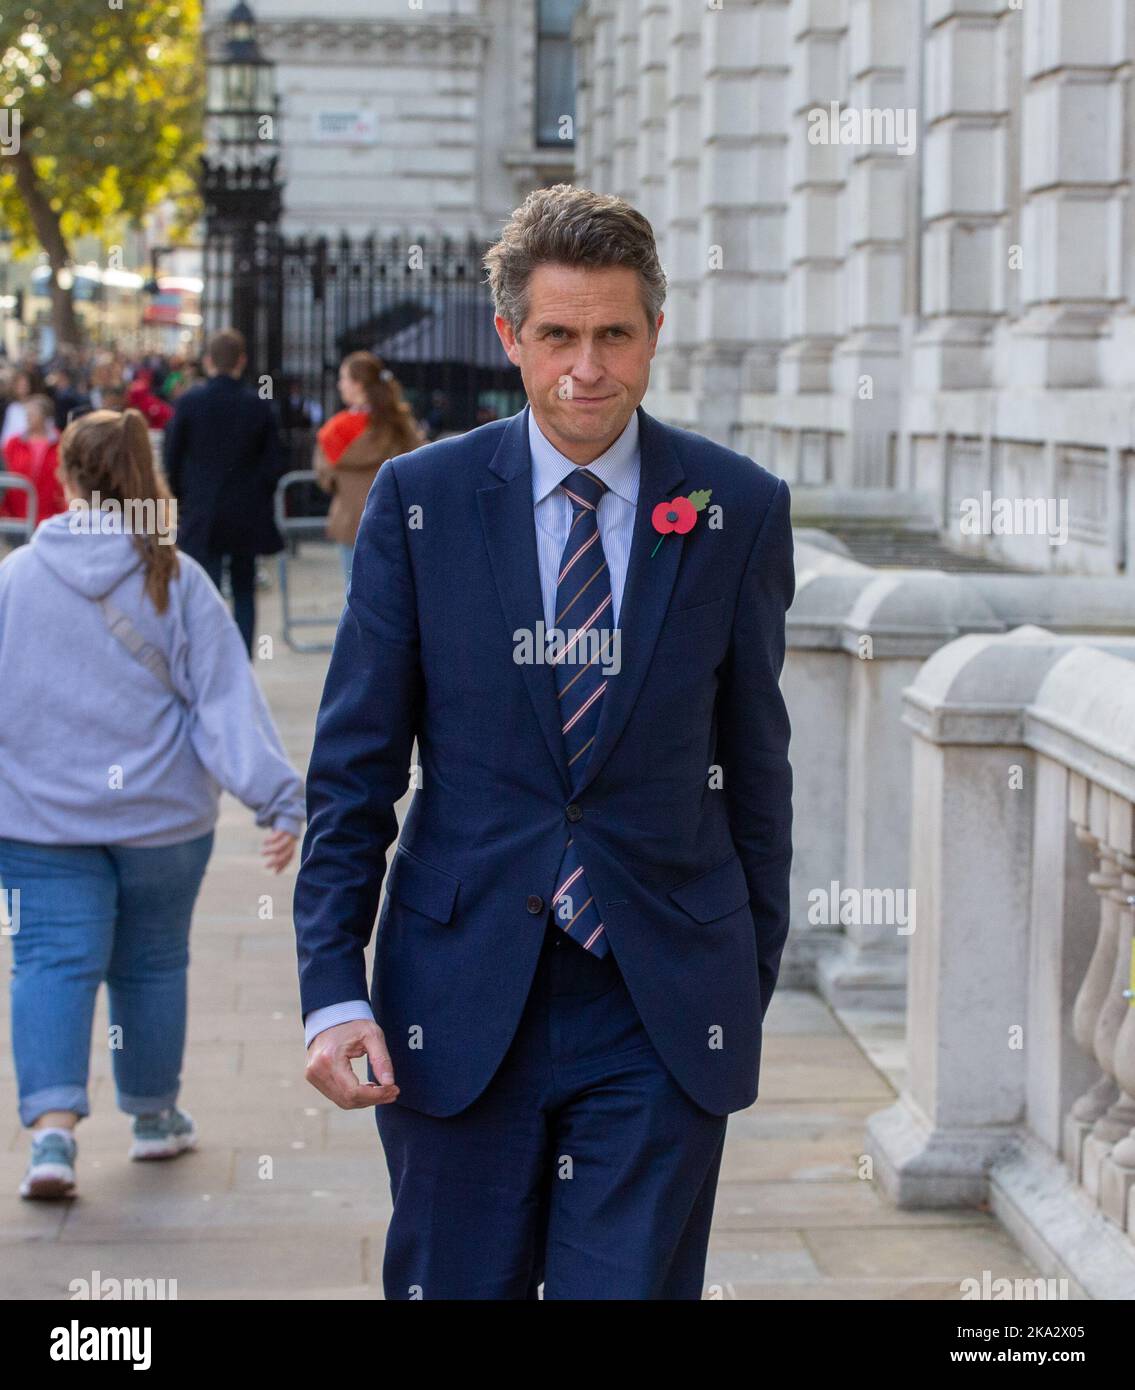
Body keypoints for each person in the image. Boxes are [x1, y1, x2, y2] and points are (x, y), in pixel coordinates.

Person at [293, 185, 795, 1300]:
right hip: (456, 1002)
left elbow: (757, 766)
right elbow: (354, 771)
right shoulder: (419, 502)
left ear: (654, 334)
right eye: (558, 335)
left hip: (655, 1006)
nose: (587, 368)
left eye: (615, 334)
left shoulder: (736, 508)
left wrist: (739, 970)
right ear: (510, 336)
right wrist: (332, 988)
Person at [0, 408, 304, 1201]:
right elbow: (226, 704)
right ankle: (153, 1118)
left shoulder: (16, 579)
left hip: (39, 823)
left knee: (48, 963)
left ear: (64, 477)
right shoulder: (179, 579)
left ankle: (52, 1139)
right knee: (152, 965)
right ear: (148, 475)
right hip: (163, 823)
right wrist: (277, 802)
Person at [162, 329, 286, 655]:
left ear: (207, 361)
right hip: (247, 512)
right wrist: (258, 492)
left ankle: (209, 657)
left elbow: (171, 457)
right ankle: (243, 661)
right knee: (245, 589)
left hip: (203, 510)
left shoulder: (188, 403)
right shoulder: (258, 406)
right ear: (242, 361)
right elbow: (274, 463)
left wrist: (182, 496)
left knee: (207, 589)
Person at [313, 353, 425, 583]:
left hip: (351, 521)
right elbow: (422, 462)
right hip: (394, 519)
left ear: (358, 384)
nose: (339, 384)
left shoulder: (334, 431)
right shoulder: (400, 425)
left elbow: (325, 476)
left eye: (343, 378)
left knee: (355, 594)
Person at [0, 394, 65, 526]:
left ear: (44, 416)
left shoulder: (61, 442)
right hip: (16, 516)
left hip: (50, 516)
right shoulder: (13, 443)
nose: (28, 418)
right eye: (27, 414)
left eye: (33, 414)